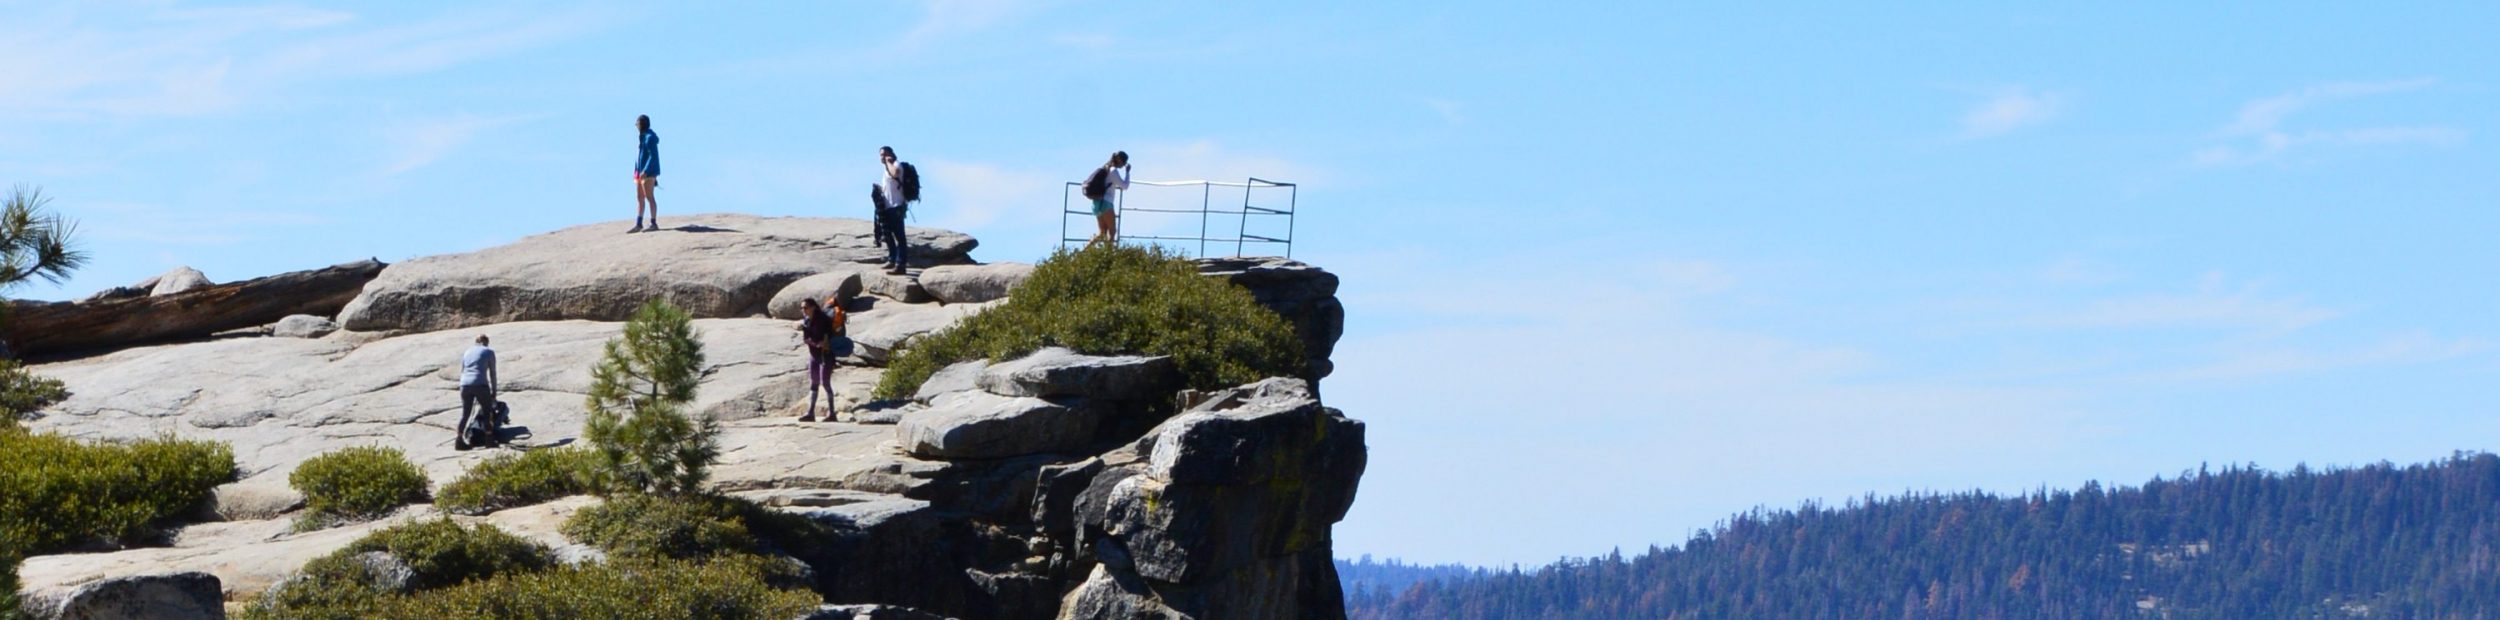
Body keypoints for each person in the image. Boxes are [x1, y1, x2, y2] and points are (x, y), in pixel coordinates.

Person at [796, 297, 837, 422]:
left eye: (806, 307)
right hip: (814, 354)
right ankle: (810, 413)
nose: (803, 310)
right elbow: (806, 338)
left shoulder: (823, 319)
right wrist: (815, 343)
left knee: (825, 382)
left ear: (813, 307)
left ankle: (832, 413)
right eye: (802, 308)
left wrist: (824, 343)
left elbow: (830, 335)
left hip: (826, 355)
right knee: (814, 382)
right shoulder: (807, 320)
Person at [457, 334, 499, 450]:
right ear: (486, 342)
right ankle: (489, 440)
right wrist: (494, 392)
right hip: (480, 383)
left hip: (465, 384)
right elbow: (493, 373)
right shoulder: (489, 351)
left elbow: (463, 370)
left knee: (465, 414)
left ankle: (459, 440)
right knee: (487, 411)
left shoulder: (467, 352)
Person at [876, 146, 913, 274]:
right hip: (887, 207)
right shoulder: (887, 169)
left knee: (899, 237)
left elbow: (896, 173)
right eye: (881, 155)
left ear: (891, 154)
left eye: (885, 154)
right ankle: (892, 258)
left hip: (896, 207)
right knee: (887, 234)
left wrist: (889, 162)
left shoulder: (896, 164)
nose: (883, 157)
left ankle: (900, 265)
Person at [1082, 151, 1130, 248]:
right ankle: (1108, 254)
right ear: (1119, 160)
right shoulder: (1113, 171)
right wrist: (1127, 173)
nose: (1124, 164)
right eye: (1124, 162)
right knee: (1112, 231)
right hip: (1106, 203)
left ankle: (1085, 250)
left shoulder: (1105, 168)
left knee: (1102, 232)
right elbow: (1125, 186)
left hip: (1096, 202)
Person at [632, 115, 662, 233]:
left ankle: (653, 223)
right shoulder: (642, 137)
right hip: (640, 172)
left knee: (649, 197)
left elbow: (652, 156)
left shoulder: (649, 138)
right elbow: (640, 156)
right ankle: (638, 223)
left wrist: (646, 170)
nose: (636, 126)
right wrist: (637, 170)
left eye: (637, 123)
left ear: (642, 124)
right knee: (640, 197)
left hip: (648, 172)